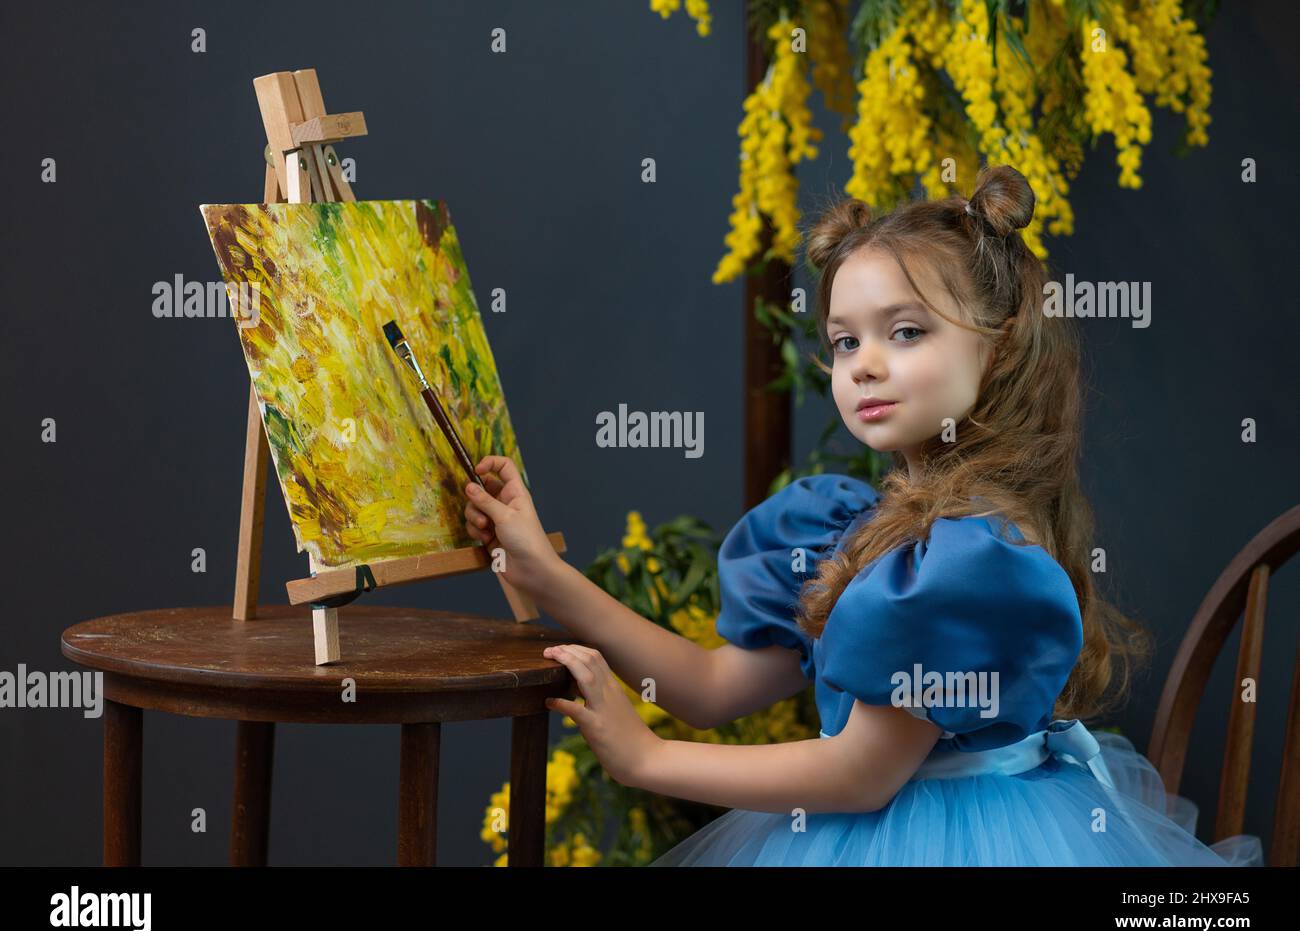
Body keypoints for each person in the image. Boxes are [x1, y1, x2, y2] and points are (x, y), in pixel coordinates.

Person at [460, 165, 1262, 866]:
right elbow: (710, 686)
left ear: (1001, 347)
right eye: (844, 342)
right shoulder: (851, 528)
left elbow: (861, 773)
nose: (864, 363)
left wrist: (649, 759)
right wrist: (546, 575)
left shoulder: (968, 557)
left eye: (906, 332)